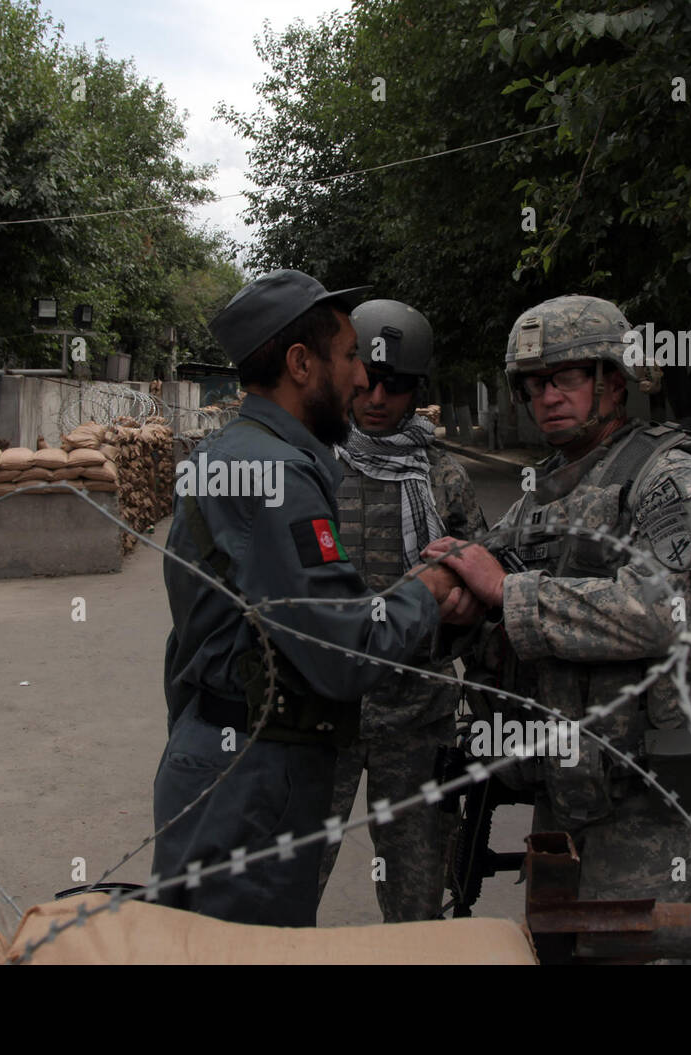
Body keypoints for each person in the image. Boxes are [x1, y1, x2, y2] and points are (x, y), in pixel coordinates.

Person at [153, 270, 478, 927]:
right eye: (352, 355)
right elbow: (340, 647)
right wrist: (436, 585)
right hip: (254, 776)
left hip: (239, 757)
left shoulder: (245, 454)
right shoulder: (276, 473)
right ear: (302, 364)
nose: (364, 381)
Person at [424, 294, 691, 904]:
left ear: (613, 381)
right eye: (534, 383)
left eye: (568, 377)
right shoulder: (551, 486)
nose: (548, 396)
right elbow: (492, 569)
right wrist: (465, 600)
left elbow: (661, 609)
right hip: (573, 777)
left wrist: (506, 592)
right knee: (562, 938)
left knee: (631, 943)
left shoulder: (672, 479)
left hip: (652, 783)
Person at [316, 299, 486, 922]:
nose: (378, 397)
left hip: (416, 716)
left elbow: (485, 588)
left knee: (415, 900)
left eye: (397, 385)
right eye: (369, 380)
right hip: (323, 714)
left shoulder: (445, 479)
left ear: (417, 391)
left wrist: (460, 615)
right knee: (288, 885)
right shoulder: (315, 467)